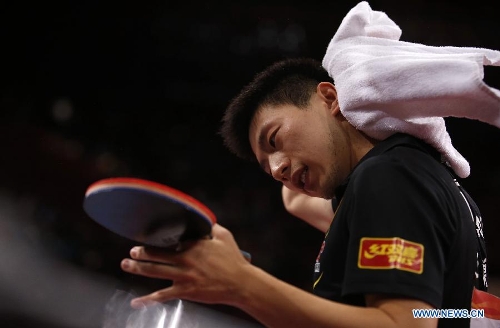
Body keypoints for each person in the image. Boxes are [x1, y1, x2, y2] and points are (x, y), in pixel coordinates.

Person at [120, 57, 487, 328]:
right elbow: (293, 199)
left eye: (274, 139)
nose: (278, 169)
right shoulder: (425, 178)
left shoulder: (386, 177)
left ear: (329, 98)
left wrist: (241, 284)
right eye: (268, 169)